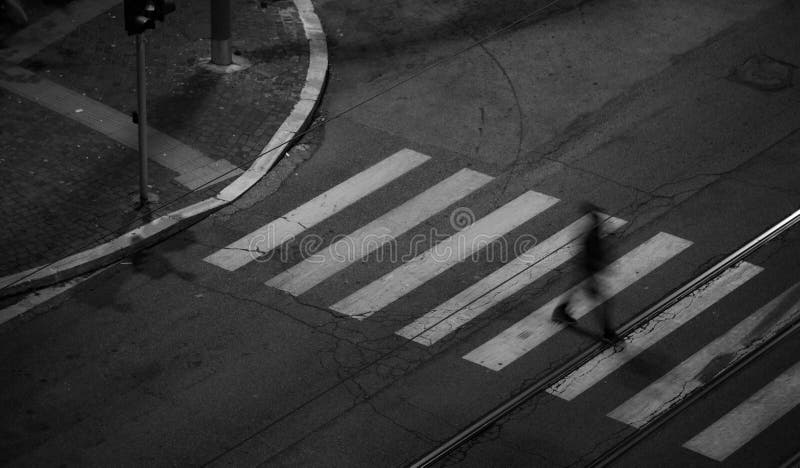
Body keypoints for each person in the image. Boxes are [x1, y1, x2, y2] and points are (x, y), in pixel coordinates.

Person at [552, 202, 622, 344]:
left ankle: (560, 311)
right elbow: (591, 250)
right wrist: (599, 265)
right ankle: (608, 332)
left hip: (585, 266)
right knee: (603, 301)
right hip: (587, 266)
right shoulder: (590, 230)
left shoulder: (592, 224)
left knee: (579, 285)